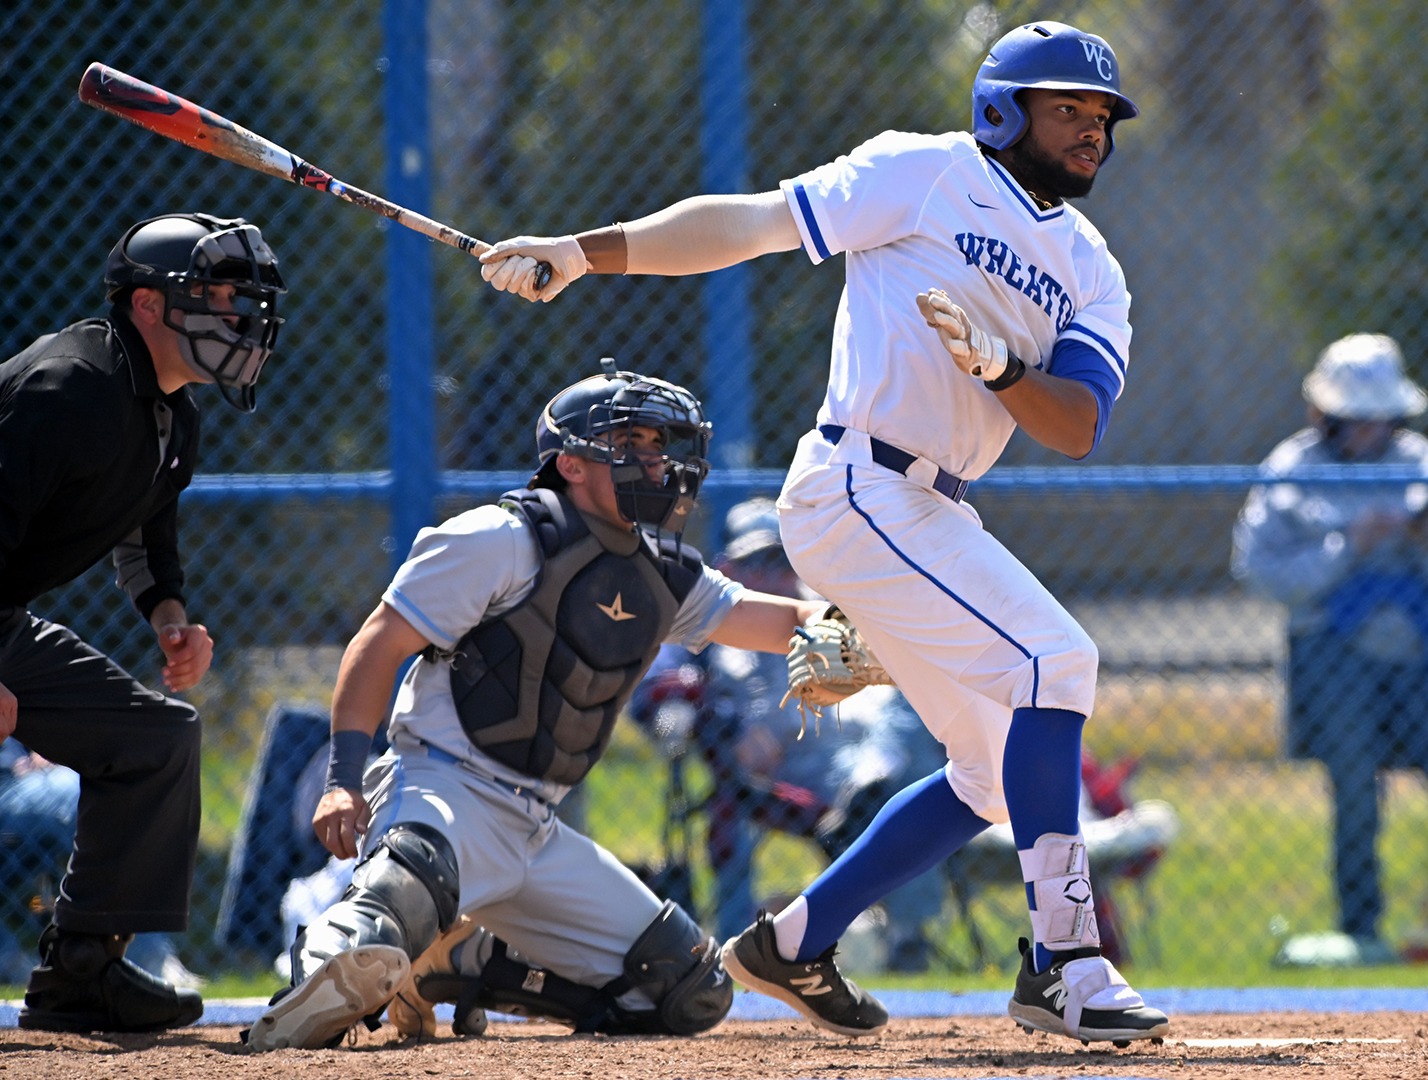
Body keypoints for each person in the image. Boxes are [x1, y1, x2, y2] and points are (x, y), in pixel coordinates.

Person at [477, 19, 1169, 1044]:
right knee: (1058, 660)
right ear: (1000, 108)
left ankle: (794, 941)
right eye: (1067, 107)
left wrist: (1003, 372)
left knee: (986, 774)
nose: (1091, 130)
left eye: (1103, 114)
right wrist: (583, 254)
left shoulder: (1095, 270)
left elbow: (1074, 424)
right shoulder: (923, 173)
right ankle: (1063, 959)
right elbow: (746, 225)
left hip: (932, 507)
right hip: (857, 482)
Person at [244, 367, 829, 1051]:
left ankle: (456, 966)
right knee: (394, 899)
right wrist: (344, 779)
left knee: (683, 987)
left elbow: (789, 621)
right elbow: (377, 645)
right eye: (629, 441)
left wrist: (874, 632)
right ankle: (324, 968)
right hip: (443, 786)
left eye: (659, 442)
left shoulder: (667, 576)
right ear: (570, 463)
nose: (654, 459)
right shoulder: (498, 536)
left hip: (535, 826)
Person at [0, 213, 286, 1031]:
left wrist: (169, 617)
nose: (239, 316)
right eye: (219, 296)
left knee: (156, 740)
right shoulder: (70, 387)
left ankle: (82, 971)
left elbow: (146, 537)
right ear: (148, 307)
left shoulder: (170, 412)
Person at [1230, 333, 1428, 965]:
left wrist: (1424, 541)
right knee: (1355, 793)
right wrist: (1348, 547)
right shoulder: (1291, 470)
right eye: (1354, 419)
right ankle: (1362, 935)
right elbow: (1259, 570)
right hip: (1334, 657)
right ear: (1324, 415)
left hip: (1419, 657)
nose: (1367, 432)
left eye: (1379, 419)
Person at [631, 498, 948, 971]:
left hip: (865, 746)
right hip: (782, 776)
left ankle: (882, 802)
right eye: (757, 561)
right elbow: (654, 690)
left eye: (782, 560)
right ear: (726, 566)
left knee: (911, 720)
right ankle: (896, 923)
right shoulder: (709, 620)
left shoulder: (820, 616)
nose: (773, 573)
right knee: (892, 782)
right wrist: (722, 725)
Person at [0, 740, 202, 987]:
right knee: (92, 796)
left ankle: (144, 965)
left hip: (44, 772)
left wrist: (57, 748)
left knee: (123, 789)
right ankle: (147, 968)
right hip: (10, 781)